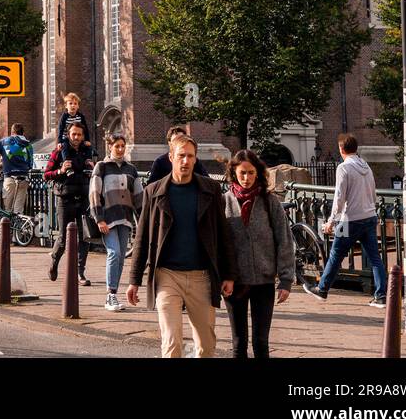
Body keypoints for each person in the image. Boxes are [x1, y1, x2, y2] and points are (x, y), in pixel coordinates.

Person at [126, 134, 235, 359]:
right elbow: (143, 237)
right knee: (172, 342)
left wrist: (229, 274)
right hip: (167, 276)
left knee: (206, 345)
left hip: (201, 276)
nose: (185, 161)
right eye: (181, 156)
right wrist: (134, 280)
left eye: (190, 156)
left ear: (196, 159)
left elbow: (223, 233)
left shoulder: (210, 189)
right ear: (171, 157)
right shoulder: (154, 192)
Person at [223, 149, 294, 359]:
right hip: (234, 282)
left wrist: (286, 279)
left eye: (251, 173)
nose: (246, 178)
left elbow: (284, 239)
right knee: (238, 343)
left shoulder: (269, 201)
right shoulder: (223, 202)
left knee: (261, 342)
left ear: (258, 173)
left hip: (263, 280)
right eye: (242, 173)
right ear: (234, 172)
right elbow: (218, 243)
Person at [303, 133, 387, 308]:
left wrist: (331, 222)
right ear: (355, 148)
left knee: (335, 255)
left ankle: (322, 289)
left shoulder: (343, 168)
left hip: (349, 220)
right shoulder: (366, 166)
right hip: (369, 217)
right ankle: (381, 296)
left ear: (341, 149)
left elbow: (339, 197)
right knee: (375, 258)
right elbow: (373, 192)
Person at [89, 133, 144, 310]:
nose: (120, 149)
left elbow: (138, 196)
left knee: (121, 257)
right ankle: (110, 295)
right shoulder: (102, 167)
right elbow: (94, 193)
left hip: (126, 218)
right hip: (108, 218)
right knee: (114, 253)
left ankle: (114, 293)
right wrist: (99, 218)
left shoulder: (131, 169)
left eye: (123, 146)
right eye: (117, 146)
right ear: (110, 147)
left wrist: (143, 218)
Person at [45, 121, 95, 285]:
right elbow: (46, 174)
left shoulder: (87, 151)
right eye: (74, 134)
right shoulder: (59, 152)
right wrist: (60, 171)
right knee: (63, 237)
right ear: (68, 135)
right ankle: (54, 262)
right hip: (65, 198)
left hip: (83, 196)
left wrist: (93, 168)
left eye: (79, 134)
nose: (76, 137)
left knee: (85, 236)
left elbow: (96, 173)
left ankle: (80, 273)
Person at [0, 123, 34, 221]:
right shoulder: (29, 145)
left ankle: (7, 234)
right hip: (24, 178)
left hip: (10, 178)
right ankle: (18, 233)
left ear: (12, 132)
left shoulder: (5, 142)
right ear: (23, 132)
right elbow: (30, 164)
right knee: (18, 210)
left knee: (7, 210)